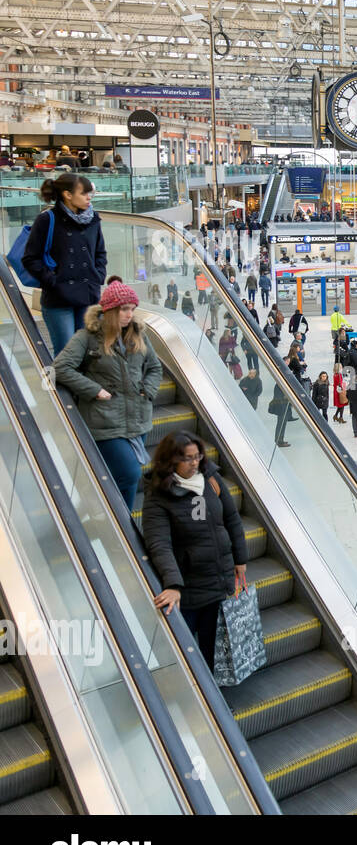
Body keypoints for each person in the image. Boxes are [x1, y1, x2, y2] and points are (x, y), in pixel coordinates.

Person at [142, 430, 248, 671]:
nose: (194, 463)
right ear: (171, 461)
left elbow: (231, 518)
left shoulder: (209, 479)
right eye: (186, 458)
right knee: (187, 651)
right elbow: (159, 543)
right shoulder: (159, 496)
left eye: (197, 456)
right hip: (190, 589)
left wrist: (240, 559)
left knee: (213, 649)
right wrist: (172, 584)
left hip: (219, 582)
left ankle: (214, 699)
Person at [53, 282, 160, 508]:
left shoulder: (139, 335)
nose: (129, 314)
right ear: (109, 311)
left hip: (138, 418)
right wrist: (94, 390)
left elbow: (154, 368)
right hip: (105, 421)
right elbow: (61, 368)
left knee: (120, 475)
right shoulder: (87, 337)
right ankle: (124, 525)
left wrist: (147, 391)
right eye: (123, 309)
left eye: (132, 308)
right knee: (130, 474)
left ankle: (106, 514)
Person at [23, 173, 107, 357]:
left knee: (87, 352)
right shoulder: (47, 219)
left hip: (87, 294)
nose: (88, 198)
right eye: (84, 193)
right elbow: (30, 258)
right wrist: (53, 281)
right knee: (66, 354)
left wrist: (98, 275)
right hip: (59, 299)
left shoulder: (93, 219)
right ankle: (61, 387)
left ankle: (82, 386)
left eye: (89, 193)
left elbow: (100, 252)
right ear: (68, 195)